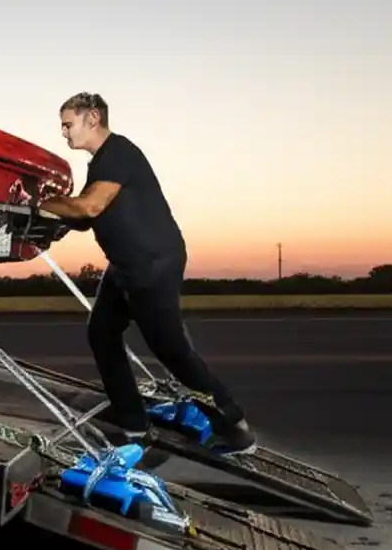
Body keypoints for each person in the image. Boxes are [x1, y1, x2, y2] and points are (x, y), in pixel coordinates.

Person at [37, 92, 257, 455]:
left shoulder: (119, 152)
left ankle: (236, 427)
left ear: (92, 118)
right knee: (102, 332)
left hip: (152, 264)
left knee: (172, 352)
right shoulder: (101, 163)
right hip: (125, 266)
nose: (63, 132)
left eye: (67, 124)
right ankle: (133, 425)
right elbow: (84, 216)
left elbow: (88, 205)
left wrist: (38, 202)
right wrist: (51, 214)